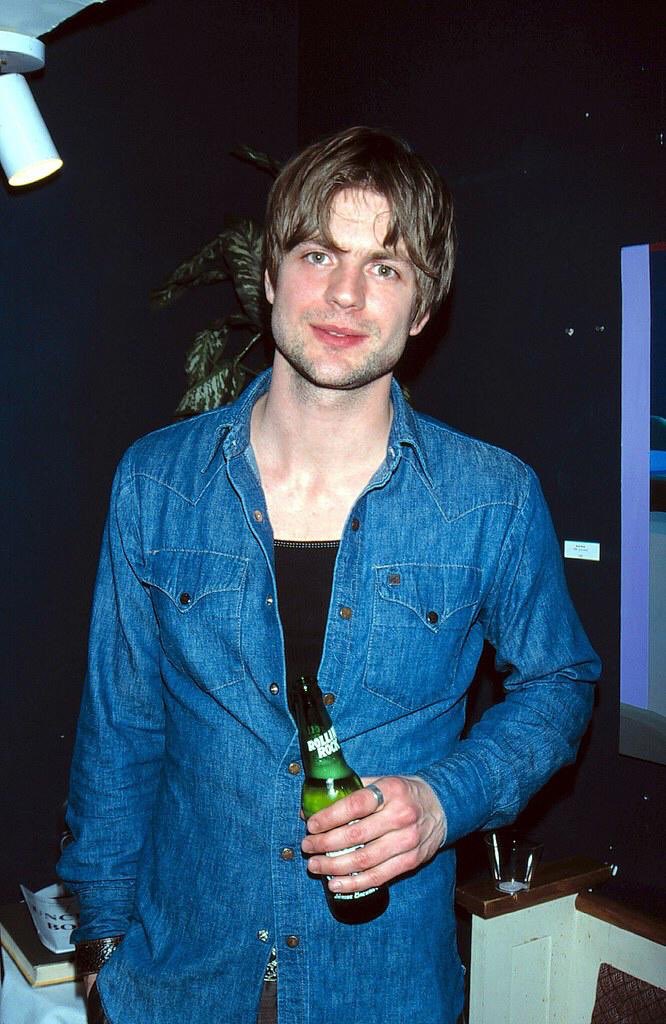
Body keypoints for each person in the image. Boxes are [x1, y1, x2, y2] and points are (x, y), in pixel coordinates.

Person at [58, 126, 600, 1024]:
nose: (346, 294)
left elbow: (560, 681)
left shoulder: (492, 498)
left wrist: (444, 801)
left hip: (384, 990)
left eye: (385, 267)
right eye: (319, 255)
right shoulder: (156, 482)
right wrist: (101, 952)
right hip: (176, 984)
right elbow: (119, 729)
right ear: (271, 276)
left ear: (422, 308)